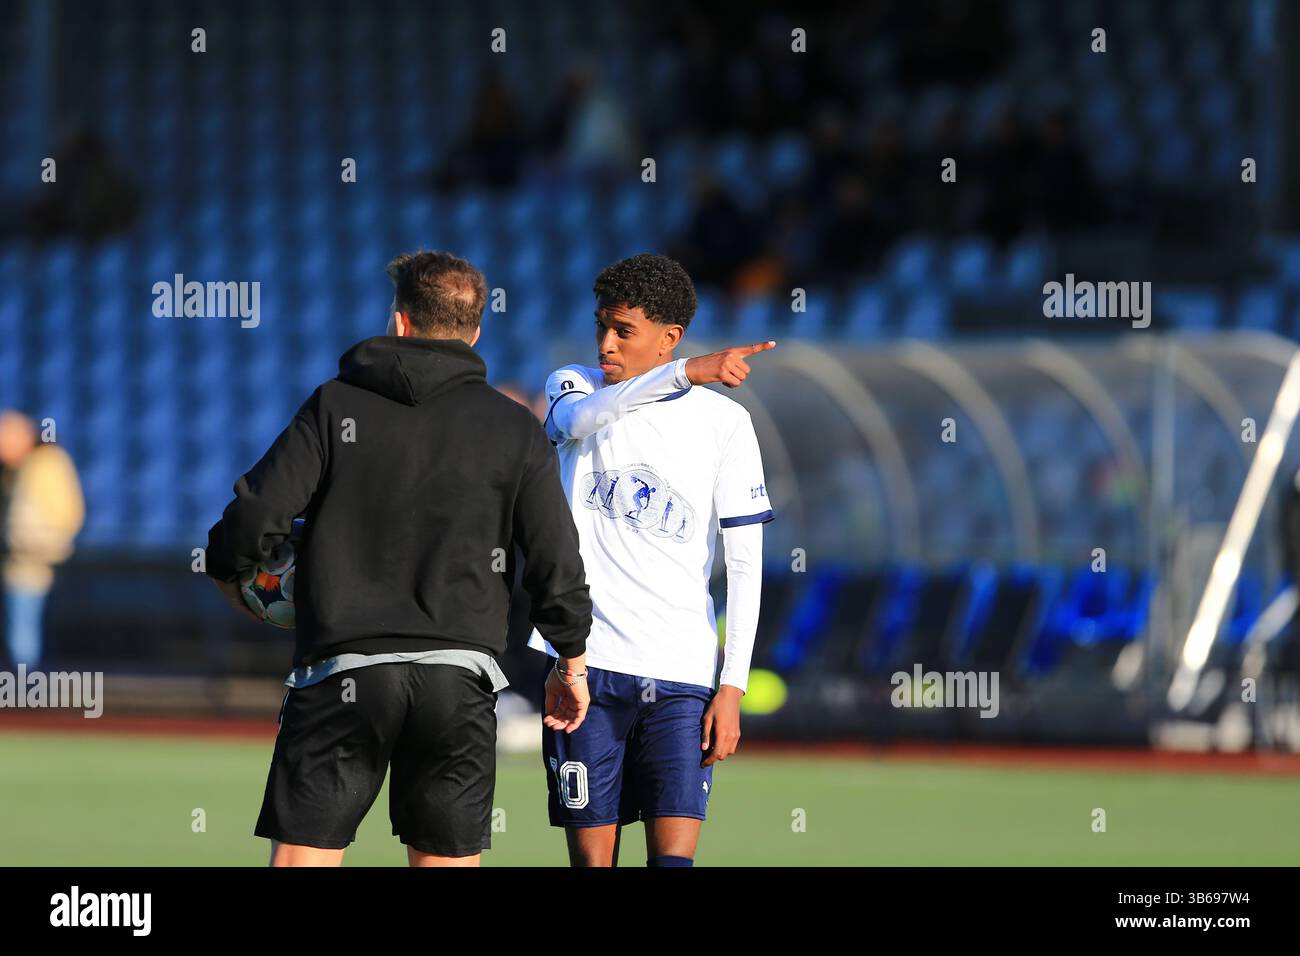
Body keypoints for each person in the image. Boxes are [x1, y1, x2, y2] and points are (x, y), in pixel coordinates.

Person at [205, 251, 592, 867]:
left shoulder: (334, 406)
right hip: (458, 677)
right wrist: (571, 660)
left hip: (342, 671)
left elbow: (257, 516)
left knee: (304, 858)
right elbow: (555, 559)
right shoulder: (512, 427)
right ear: (476, 333)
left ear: (399, 321)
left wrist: (228, 570)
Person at [529, 253, 774, 866]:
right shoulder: (575, 385)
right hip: (586, 670)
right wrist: (688, 371)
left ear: (669, 338)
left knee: (672, 862)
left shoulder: (726, 423)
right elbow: (581, 421)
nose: (607, 344)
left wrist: (733, 685)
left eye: (624, 331)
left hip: (682, 677)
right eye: (602, 327)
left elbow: (746, 564)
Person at [0, 412, 84, 668]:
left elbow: (69, 513)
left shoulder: (47, 464)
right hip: (23, 558)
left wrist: (39, 542)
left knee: (25, 623)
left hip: (35, 559)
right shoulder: (19, 468)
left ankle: (27, 684)